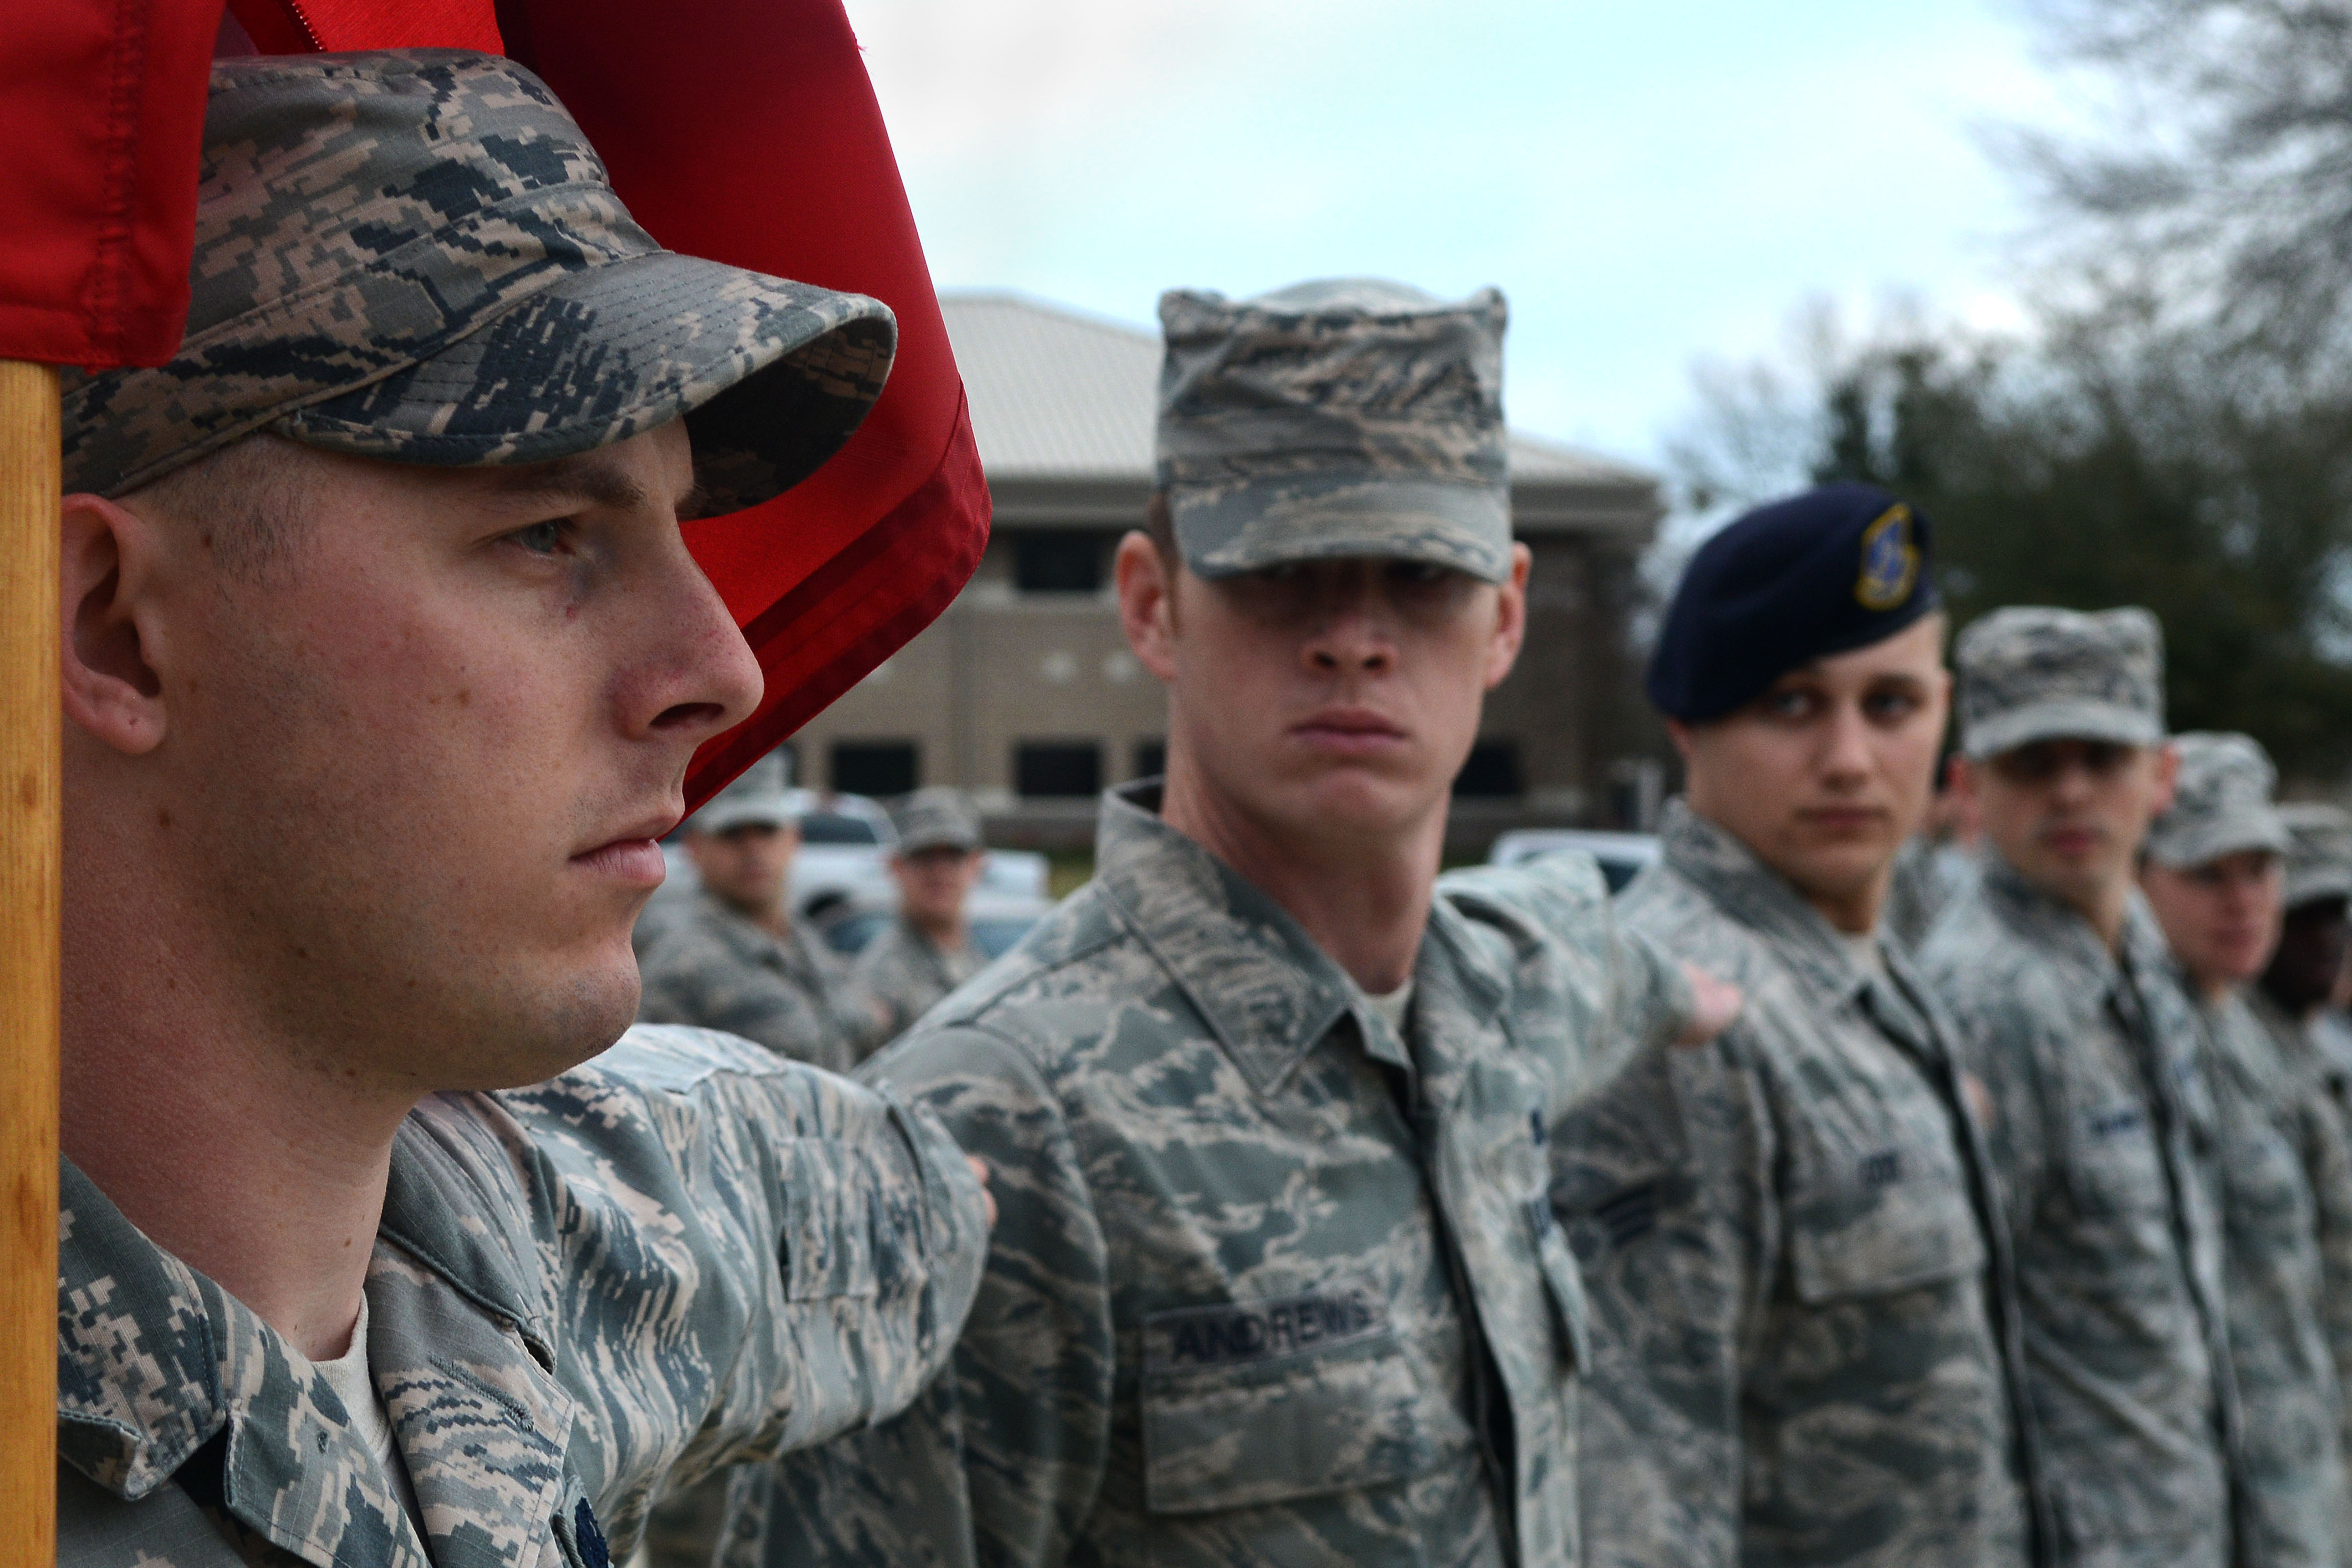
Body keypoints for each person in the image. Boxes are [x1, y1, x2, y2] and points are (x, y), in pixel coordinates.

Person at [53, 51, 992, 1563]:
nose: (725, 670)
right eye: (548, 532)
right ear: (115, 629)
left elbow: (952, 1197)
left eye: (677, 526)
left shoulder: (533, 1227)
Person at [729, 278, 1734, 1568]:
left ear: (1505, 617)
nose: (1353, 639)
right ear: (1154, 603)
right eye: (1280, 571)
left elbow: (1624, 968)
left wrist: (1726, 994)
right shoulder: (994, 1126)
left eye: (1422, 574)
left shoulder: (1498, 1003)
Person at [1565, 485, 2045, 1568]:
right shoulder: (1679, 1016)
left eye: (1891, 704)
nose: (1849, 759)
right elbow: (1645, 1500)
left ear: (1944, 711)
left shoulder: (1865, 967)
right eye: (1791, 704)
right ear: (1688, 723)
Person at [1919, 607, 2239, 1568]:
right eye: (2032, 764)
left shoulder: (2143, 959)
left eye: (2103, 758)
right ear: (1970, 789)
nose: (2070, 791)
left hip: (2180, 1516)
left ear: (2162, 777)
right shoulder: (1985, 997)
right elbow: (1958, 1346)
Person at [2139, 734, 2345, 1568]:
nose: (2244, 903)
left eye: (2261, 871)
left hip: (2298, 1464)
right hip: (2214, 1497)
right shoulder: (2149, 1036)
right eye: (2208, 875)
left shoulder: (2243, 1030)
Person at [637, 755, 889, 1072]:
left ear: (793, 839)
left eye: (766, 832)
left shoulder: (806, 941)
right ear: (695, 848)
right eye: (733, 835)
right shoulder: (680, 963)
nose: (753, 850)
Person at [850, 787, 993, 1045]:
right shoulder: (882, 979)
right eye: (924, 858)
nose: (939, 872)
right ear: (896, 866)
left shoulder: (980, 964)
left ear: (977, 865)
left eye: (953, 857)